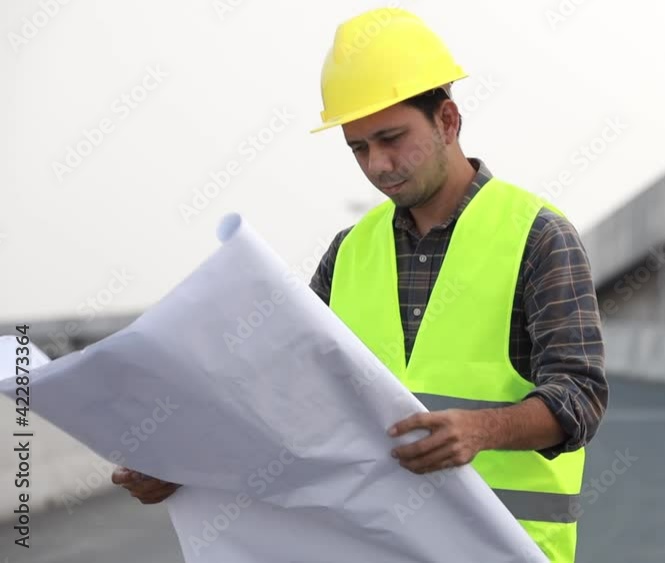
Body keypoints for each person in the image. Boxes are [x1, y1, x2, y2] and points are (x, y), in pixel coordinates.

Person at [112, 7, 607, 562]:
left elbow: (580, 396)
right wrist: (184, 463)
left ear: (447, 120)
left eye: (391, 138)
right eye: (359, 147)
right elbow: (284, 392)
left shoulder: (538, 236)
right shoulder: (348, 252)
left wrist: (482, 430)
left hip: (503, 551)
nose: (377, 164)